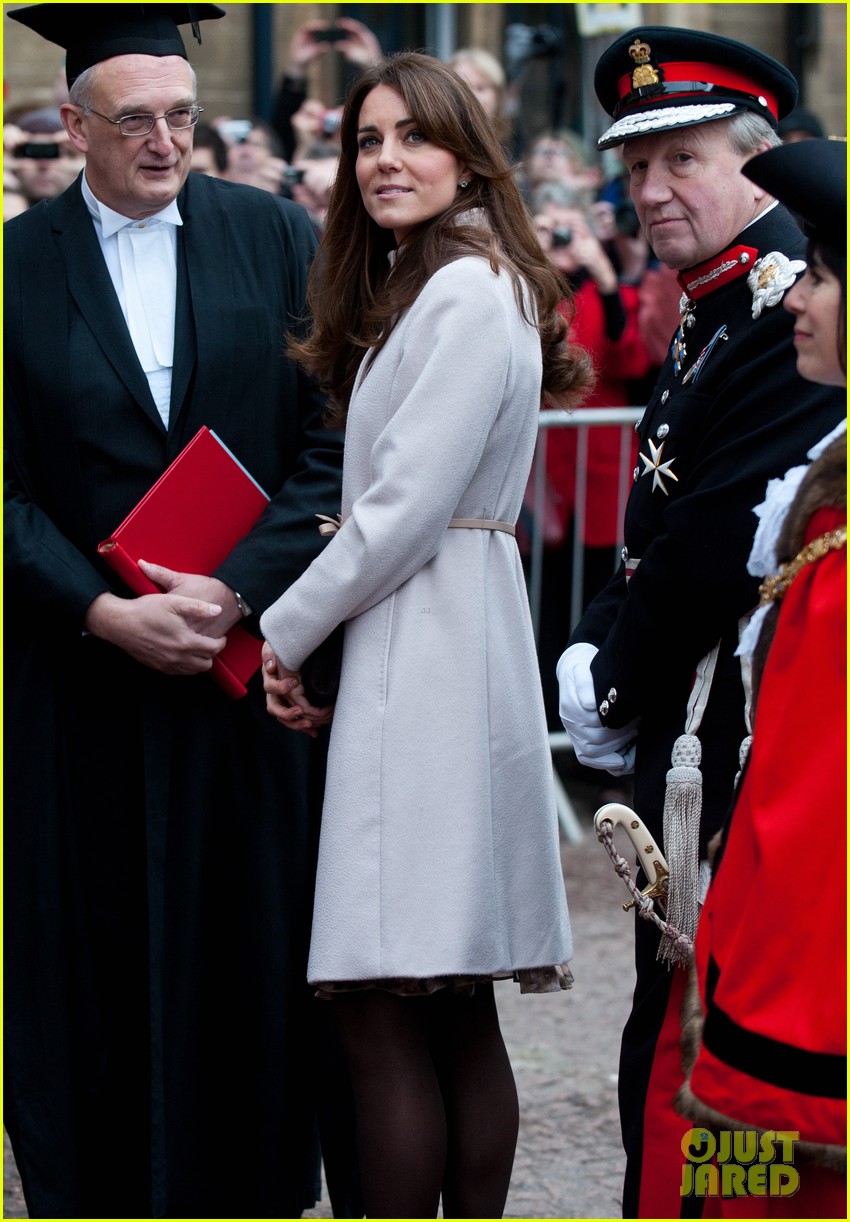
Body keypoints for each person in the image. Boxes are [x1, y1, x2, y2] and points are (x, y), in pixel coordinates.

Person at [4, 4, 356, 1217]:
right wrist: (100, 613)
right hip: (74, 681)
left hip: (239, 671)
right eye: (135, 120)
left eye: (181, 118)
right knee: (84, 960)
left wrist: (234, 584)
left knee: (245, 951)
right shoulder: (16, 265)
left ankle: (247, 1188)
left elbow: (330, 439)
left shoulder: (270, 232)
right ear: (73, 126)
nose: (163, 142)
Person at [259, 50, 592, 1220]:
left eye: (414, 137)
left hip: (430, 642)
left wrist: (284, 632)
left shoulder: (459, 289)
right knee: (447, 1003)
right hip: (448, 632)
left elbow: (398, 511)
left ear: (465, 157)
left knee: (379, 1003)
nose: (385, 159)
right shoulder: (444, 280)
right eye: (367, 140)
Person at [555, 28, 846, 1218]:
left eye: (680, 159)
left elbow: (712, 539)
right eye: (636, 167)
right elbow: (656, 514)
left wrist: (614, 679)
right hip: (714, 746)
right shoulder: (722, 299)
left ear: (755, 157)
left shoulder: (778, 304)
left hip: (747, 777)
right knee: (670, 1043)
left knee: (726, 1074)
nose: (649, 189)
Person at [676, 137, 846, 1219]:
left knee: (750, 1191)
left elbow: (812, 818)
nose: (798, 293)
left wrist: (761, 1045)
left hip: (804, 1003)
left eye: (823, 272)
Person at [528, 188, 651, 728]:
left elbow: (630, 359)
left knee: (595, 599)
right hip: (544, 475)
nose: (559, 239)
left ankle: (589, 720)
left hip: (599, 470)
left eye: (568, 228)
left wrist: (605, 278)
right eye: (547, 226)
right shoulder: (521, 292)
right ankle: (541, 723)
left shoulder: (608, 294)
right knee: (541, 602)